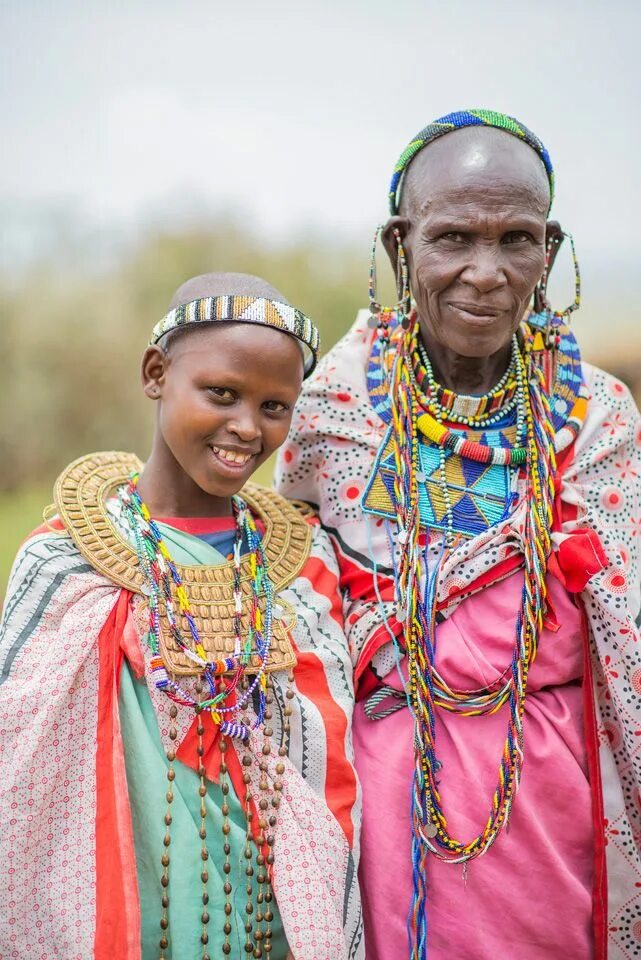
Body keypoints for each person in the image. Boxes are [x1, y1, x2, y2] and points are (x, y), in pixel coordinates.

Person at [276, 110, 641, 959]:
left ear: (548, 251)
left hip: (555, 800)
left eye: (516, 239)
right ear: (399, 244)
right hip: (379, 799)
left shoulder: (598, 419)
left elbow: (627, 643)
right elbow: (293, 613)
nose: (485, 272)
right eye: (452, 238)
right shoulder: (334, 409)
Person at [0, 273, 364, 960]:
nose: (247, 427)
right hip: (117, 904)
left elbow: (324, 751)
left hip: (273, 911)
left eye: (274, 406)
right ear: (156, 374)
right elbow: (23, 759)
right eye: (221, 394)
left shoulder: (302, 565)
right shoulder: (65, 561)